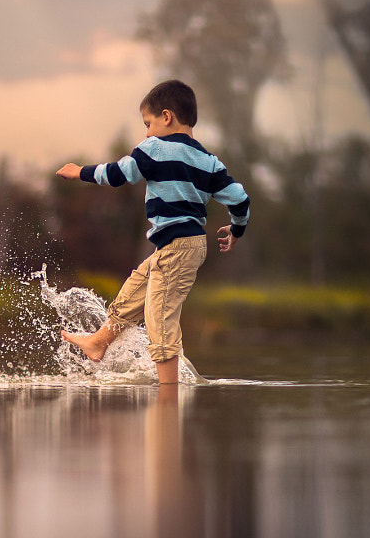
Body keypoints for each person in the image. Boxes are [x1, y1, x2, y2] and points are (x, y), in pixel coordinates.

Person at [56, 79, 250, 384]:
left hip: (177, 247)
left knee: (159, 318)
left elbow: (119, 174)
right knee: (132, 295)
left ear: (167, 116)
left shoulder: (154, 149)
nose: (146, 132)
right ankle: (98, 343)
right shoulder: (208, 162)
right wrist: (237, 228)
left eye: (148, 123)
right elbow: (239, 198)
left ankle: (168, 393)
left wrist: (79, 172)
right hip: (184, 246)